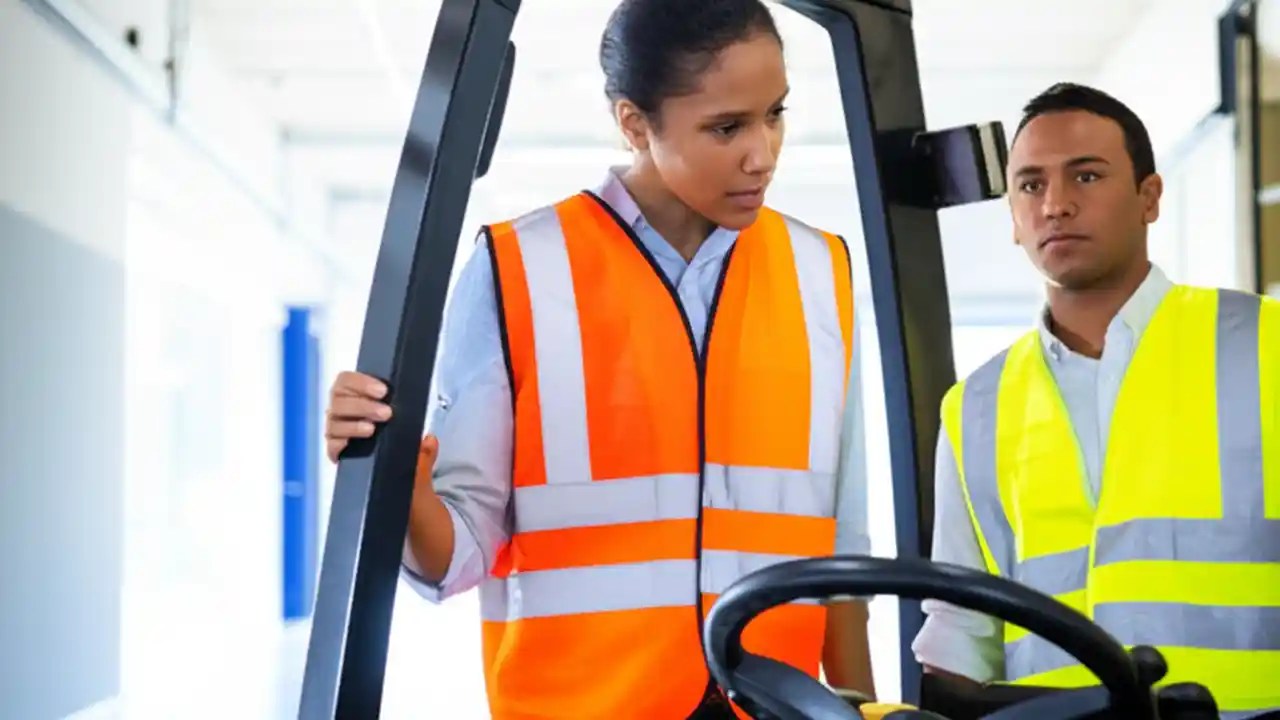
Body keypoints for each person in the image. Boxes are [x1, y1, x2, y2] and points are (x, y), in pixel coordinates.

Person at [323, 1, 878, 717]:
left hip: (773, 706)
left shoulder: (818, 270)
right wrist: (389, 470)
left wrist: (861, 702)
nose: (762, 153)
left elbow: (845, 541)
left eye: (774, 114)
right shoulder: (519, 269)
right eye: (726, 127)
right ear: (634, 123)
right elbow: (455, 552)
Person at [911, 82, 1280, 717]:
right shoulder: (974, 406)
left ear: (1149, 198)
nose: (1055, 204)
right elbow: (962, 630)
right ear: (1013, 219)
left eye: (1086, 176)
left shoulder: (1266, 346)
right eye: (1030, 185)